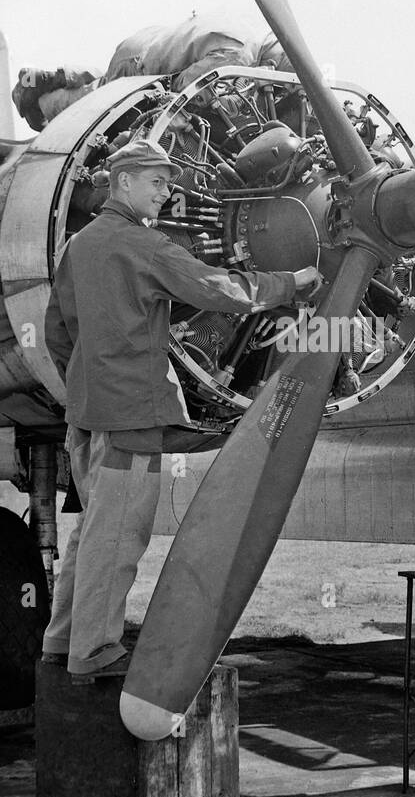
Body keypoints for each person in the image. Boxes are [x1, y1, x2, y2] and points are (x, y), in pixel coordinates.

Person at [41, 139, 321, 682]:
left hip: (86, 414)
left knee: (91, 529)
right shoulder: (142, 245)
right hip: (131, 418)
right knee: (119, 533)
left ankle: (61, 641)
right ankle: (94, 651)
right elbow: (217, 287)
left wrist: (87, 382)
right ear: (123, 182)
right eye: (157, 182)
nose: (167, 192)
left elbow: (57, 331)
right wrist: (294, 282)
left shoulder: (80, 245)